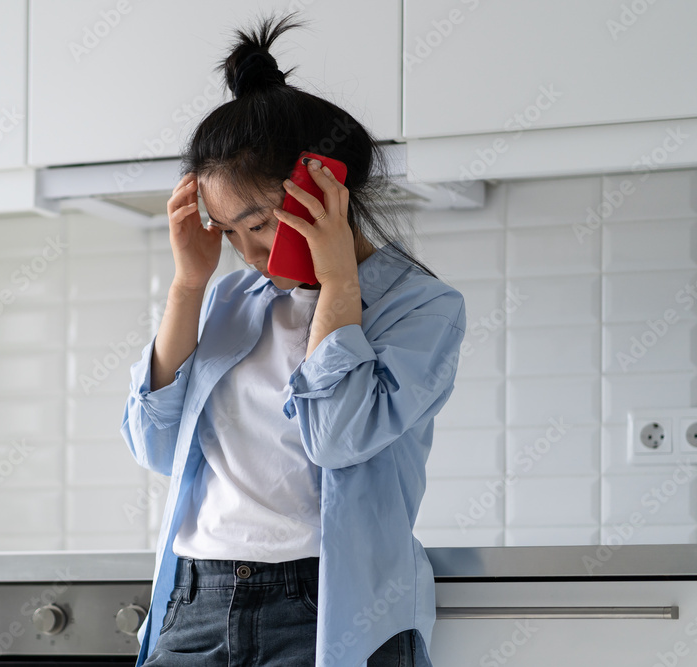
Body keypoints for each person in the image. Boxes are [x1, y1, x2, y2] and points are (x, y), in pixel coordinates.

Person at [120, 11, 466, 667]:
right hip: (196, 598)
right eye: (228, 233)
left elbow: (337, 436)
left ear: (325, 189)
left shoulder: (421, 308)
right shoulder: (228, 299)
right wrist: (188, 286)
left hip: (327, 603)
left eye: (258, 224)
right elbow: (156, 444)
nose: (249, 252)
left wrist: (337, 281)